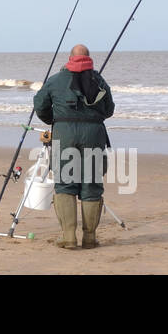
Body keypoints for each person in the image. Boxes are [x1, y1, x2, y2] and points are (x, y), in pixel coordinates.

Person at [32, 44, 114, 249]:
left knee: (65, 183)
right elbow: (109, 109)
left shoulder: (55, 80)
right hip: (93, 135)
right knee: (92, 186)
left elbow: (39, 103)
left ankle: (68, 237)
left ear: (70, 58)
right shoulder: (99, 80)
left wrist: (54, 120)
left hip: (65, 134)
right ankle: (89, 238)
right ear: (89, 58)